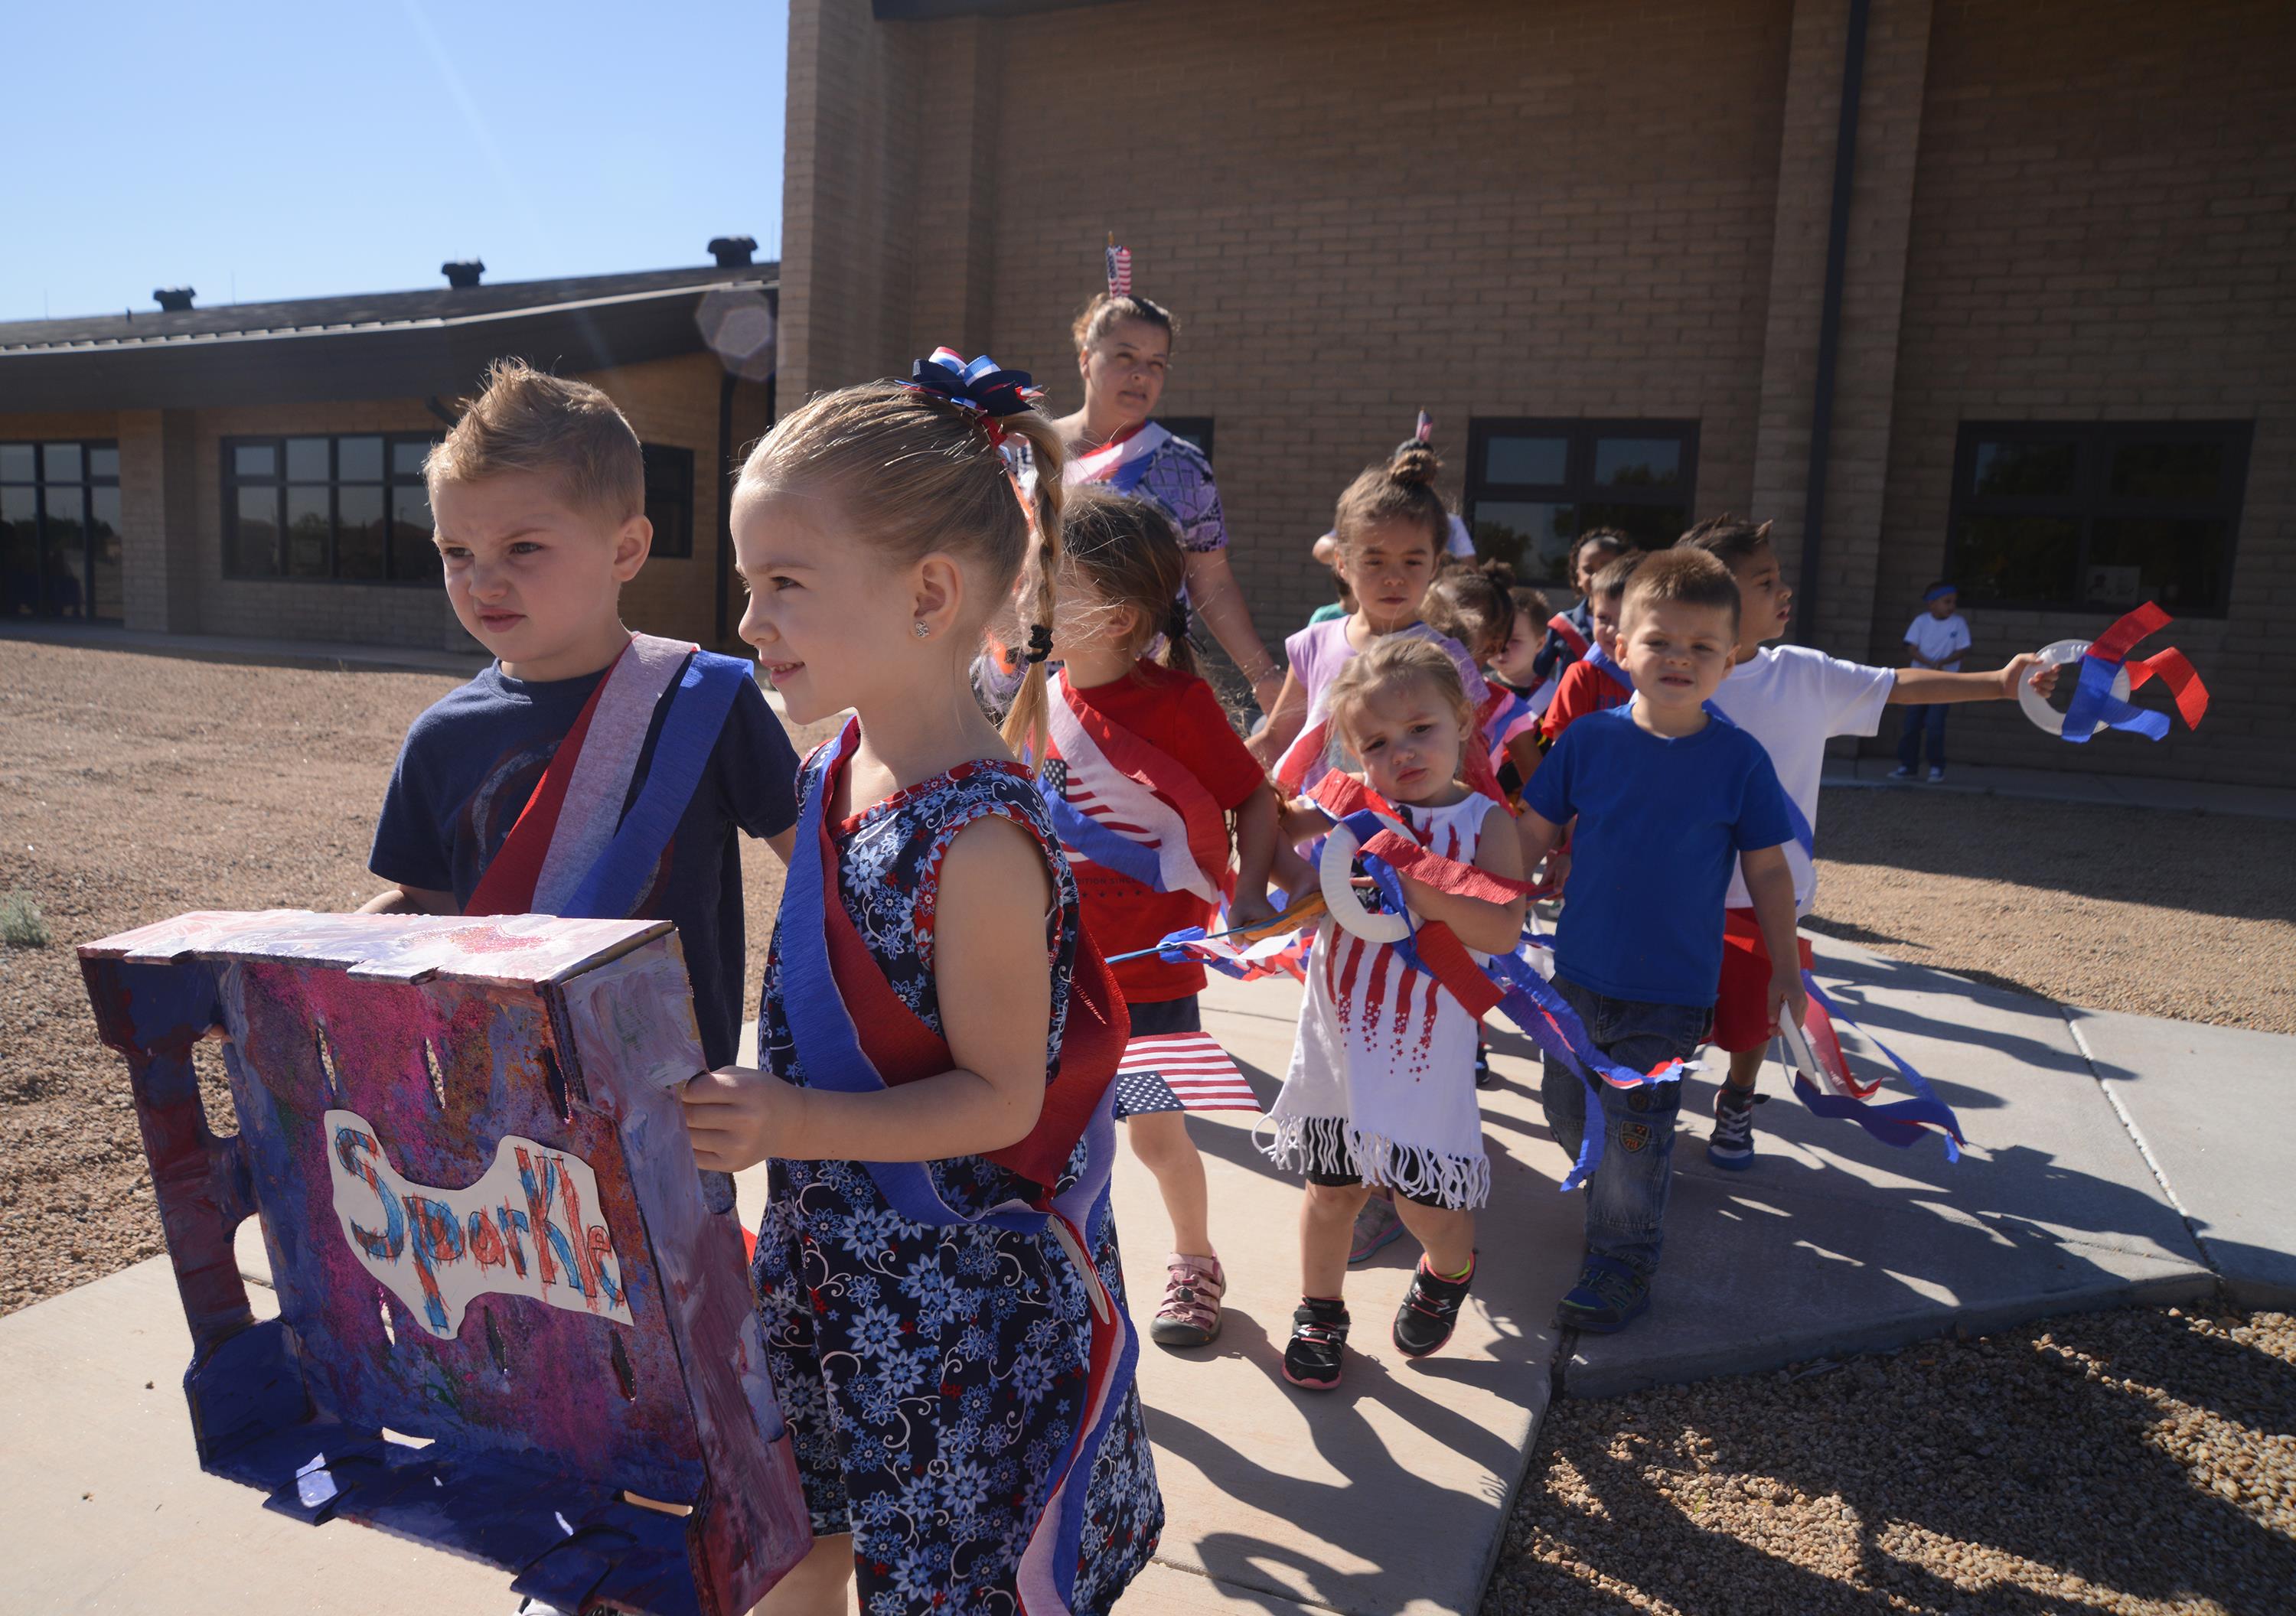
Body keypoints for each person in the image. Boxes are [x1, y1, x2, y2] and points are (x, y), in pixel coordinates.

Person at [678, 353, 1161, 1616]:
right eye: (749, 585)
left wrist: (790, 1120)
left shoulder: (983, 842)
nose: (750, 621)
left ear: (930, 595)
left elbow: (1002, 1100)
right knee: (798, 1535)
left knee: (941, 1584)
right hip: (829, 1266)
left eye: (785, 584)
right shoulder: (833, 764)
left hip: (945, 1313)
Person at [361, 358, 801, 1080]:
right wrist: (298, 964)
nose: (483, 581)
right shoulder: (440, 738)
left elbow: (820, 872)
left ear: (626, 549)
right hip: (503, 1099)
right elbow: (426, 906)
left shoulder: (707, 702)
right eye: (456, 552)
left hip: (675, 1108)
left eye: (523, 548)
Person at [1684, 517, 2055, 1172]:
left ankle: (1737, 1097)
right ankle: (1651, 1104)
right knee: (1670, 1012)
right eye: (1765, 581)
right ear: (1714, 596)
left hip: (1767, 898)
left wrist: (1998, 683)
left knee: (1755, 1018)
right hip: (1679, 892)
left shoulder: (1804, 674)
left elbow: (1898, 684)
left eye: (1779, 577)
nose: (1784, 590)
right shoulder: (1674, 678)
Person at [1044, 485, 1313, 1350]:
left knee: (1157, 1139)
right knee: (1050, 1139)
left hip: (1152, 976)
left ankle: (1196, 1262)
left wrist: (1248, 893)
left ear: (1119, 617)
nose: (1028, 593)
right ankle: (1057, 1275)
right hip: (1055, 972)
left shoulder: (1178, 706)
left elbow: (1253, 798)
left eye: (1051, 580)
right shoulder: (1038, 695)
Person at [1515, 548, 1802, 1334]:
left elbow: (1768, 870)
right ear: (1619, 645)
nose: (1680, 658)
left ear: (1730, 659)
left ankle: (1623, 1258)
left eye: (1702, 646)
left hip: (1670, 994)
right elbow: (1530, 833)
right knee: (1567, 1107)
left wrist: (1785, 967)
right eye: (1661, 641)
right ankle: (1620, 1187)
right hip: (1578, 977)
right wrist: (1474, 895)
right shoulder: (1586, 742)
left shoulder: (1739, 761)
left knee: (1636, 1135)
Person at [1263, 637, 1528, 1389]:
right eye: (1376, 743)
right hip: (1340, 1034)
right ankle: (1320, 1310)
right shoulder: (1348, 805)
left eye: (1420, 729)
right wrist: (1279, 866)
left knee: (1425, 1203)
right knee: (1332, 1191)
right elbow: (1271, 827)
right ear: (1354, 753)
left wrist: (1412, 885)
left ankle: (1448, 1269)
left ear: (1463, 721)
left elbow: (1500, 930)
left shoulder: (1486, 823)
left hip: (1425, 1045)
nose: (1402, 752)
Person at [1047, 244, 1284, 713]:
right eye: (1125, 356)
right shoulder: (1029, 452)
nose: (1141, 375)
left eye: (1156, 363)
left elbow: (1211, 583)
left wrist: (1264, 676)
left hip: (1142, 689)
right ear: (1085, 359)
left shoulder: (1185, 467)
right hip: (1033, 687)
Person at [1248, 441, 1495, 787]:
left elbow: (1474, 766)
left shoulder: (1449, 657)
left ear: (1435, 564)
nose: (1394, 577)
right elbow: (1277, 741)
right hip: (1317, 821)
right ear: (1342, 563)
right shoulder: (1312, 644)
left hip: (1409, 824)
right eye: (1375, 561)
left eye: (1412, 561)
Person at [1537, 551, 1643, 748]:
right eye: (1603, 618)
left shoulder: (1665, 676)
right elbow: (1563, 750)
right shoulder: (1581, 676)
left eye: (1625, 619)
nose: (1612, 630)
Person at [1528, 528, 1635, 689]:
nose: (1596, 576)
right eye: (1588, 570)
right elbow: (1535, 675)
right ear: (1578, 576)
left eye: (1606, 568)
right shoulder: (1562, 626)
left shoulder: (1637, 621)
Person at [1892, 582, 1971, 781]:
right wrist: (1930, 663)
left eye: (1954, 602)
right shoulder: (1921, 622)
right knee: (1912, 724)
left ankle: (1936, 767)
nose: (1952, 606)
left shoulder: (1958, 623)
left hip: (1944, 683)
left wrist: (1942, 663)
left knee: (1935, 725)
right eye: (1947, 602)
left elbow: (1963, 649)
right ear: (1932, 604)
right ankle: (1908, 766)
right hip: (1918, 681)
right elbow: (1911, 648)